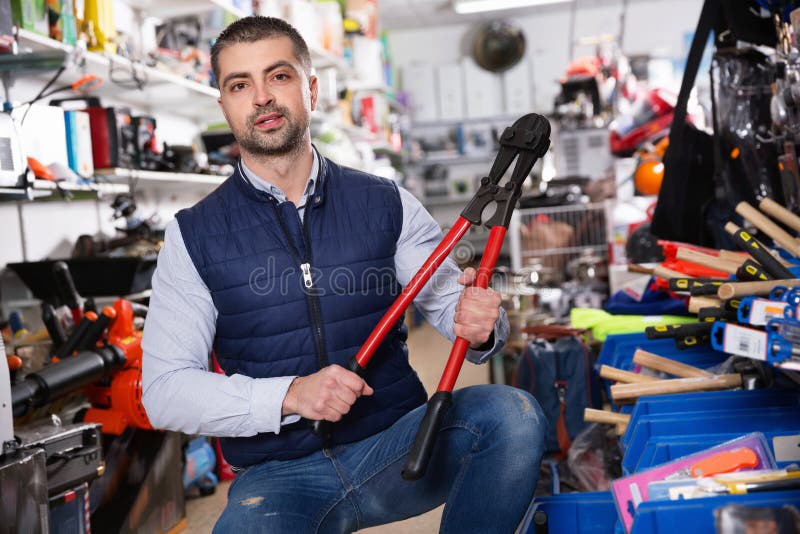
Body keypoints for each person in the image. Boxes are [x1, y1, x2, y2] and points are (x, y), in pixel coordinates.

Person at [141, 16, 546, 533]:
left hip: (397, 448)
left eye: (278, 76)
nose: (261, 97)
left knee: (512, 415)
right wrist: (291, 394)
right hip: (278, 477)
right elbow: (165, 391)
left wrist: (482, 323)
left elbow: (449, 305)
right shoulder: (192, 235)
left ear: (311, 89)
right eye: (240, 85)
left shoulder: (385, 203)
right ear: (223, 104)